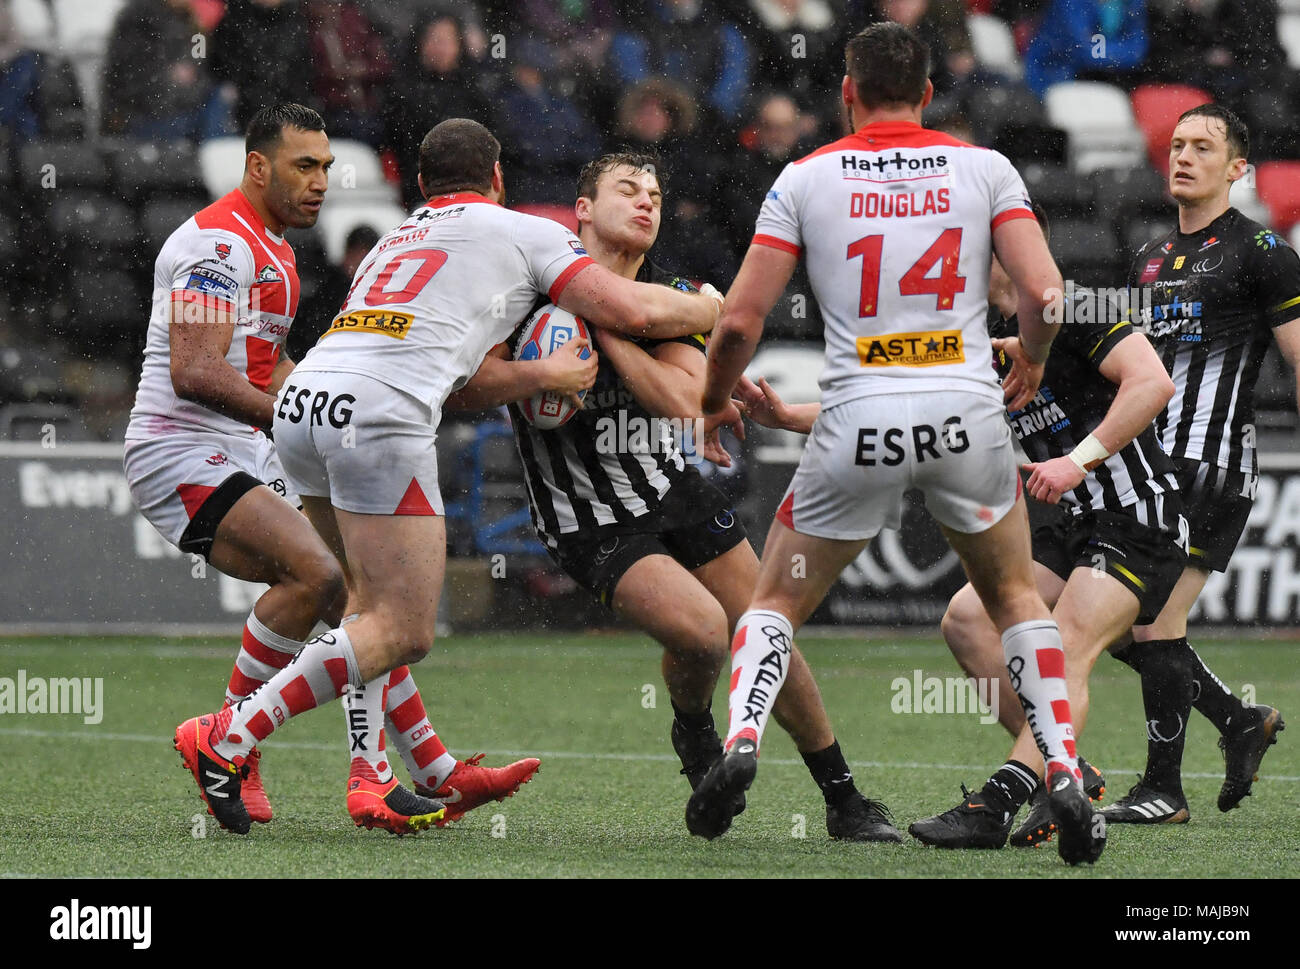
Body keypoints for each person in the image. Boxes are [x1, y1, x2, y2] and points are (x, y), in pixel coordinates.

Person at [173, 117, 723, 835]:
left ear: (423, 183)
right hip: (378, 414)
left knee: (363, 608)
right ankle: (230, 733)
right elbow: (626, 305)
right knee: (403, 628)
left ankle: (402, 771)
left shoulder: (398, 236)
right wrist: (712, 305)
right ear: (497, 179)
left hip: (305, 400)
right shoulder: (521, 230)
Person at [690, 22, 1105, 865]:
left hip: (858, 418)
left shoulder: (804, 178)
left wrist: (710, 399)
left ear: (846, 92)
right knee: (1018, 600)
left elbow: (738, 318)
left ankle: (741, 743)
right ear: (926, 92)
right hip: (965, 414)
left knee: (774, 602)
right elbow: (1046, 290)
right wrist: (1032, 351)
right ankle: (1062, 766)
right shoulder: (984, 168)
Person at [445, 152, 901, 842]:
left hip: (672, 488)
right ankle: (695, 728)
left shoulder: (673, 295)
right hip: (587, 516)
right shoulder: (524, 298)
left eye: (655, 193)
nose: (646, 203)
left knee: (765, 624)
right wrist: (543, 366)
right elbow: (467, 387)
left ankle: (844, 798)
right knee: (701, 634)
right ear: (584, 209)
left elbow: (687, 402)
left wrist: (605, 329)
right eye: (627, 190)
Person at [134, 104, 536, 837]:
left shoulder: (280, 253)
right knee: (326, 581)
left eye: (326, 166)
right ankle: (237, 741)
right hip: (181, 452)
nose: (323, 181)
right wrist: (290, 415)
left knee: (365, 602)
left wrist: (320, 397)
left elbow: (267, 366)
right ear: (259, 167)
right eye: (304, 166)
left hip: (243, 450)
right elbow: (193, 372)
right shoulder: (218, 244)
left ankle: (420, 767)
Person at [909, 206, 1188, 849]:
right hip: (1078, 525)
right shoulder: (976, 335)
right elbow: (894, 410)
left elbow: (1152, 384)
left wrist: (1075, 461)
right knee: (966, 619)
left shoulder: (1075, 307)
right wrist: (787, 418)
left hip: (1139, 511)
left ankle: (999, 802)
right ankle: (1067, 772)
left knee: (1058, 652)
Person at [1100, 103, 1298, 824]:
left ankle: (1163, 789)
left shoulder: (1264, 252)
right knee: (1118, 622)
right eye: (1177, 144)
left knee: (1150, 621)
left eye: (1203, 147)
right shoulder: (1145, 257)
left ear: (1238, 169)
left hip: (1209, 467)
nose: (1183, 156)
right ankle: (1236, 719)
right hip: (1147, 464)